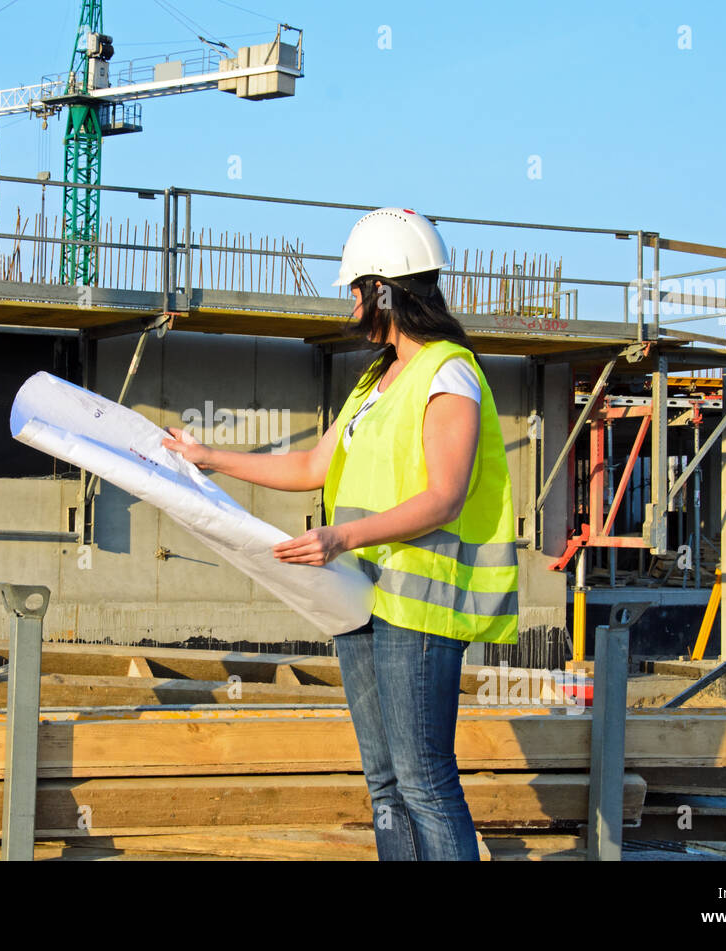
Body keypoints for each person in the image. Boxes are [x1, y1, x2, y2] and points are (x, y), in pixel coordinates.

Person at [162, 207, 519, 861]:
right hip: (360, 601)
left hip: (419, 605)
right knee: (385, 784)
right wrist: (208, 457)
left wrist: (340, 537)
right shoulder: (372, 384)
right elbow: (308, 466)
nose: (352, 306)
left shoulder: (448, 371)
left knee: (424, 781)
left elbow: (445, 497)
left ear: (383, 289)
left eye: (356, 291)